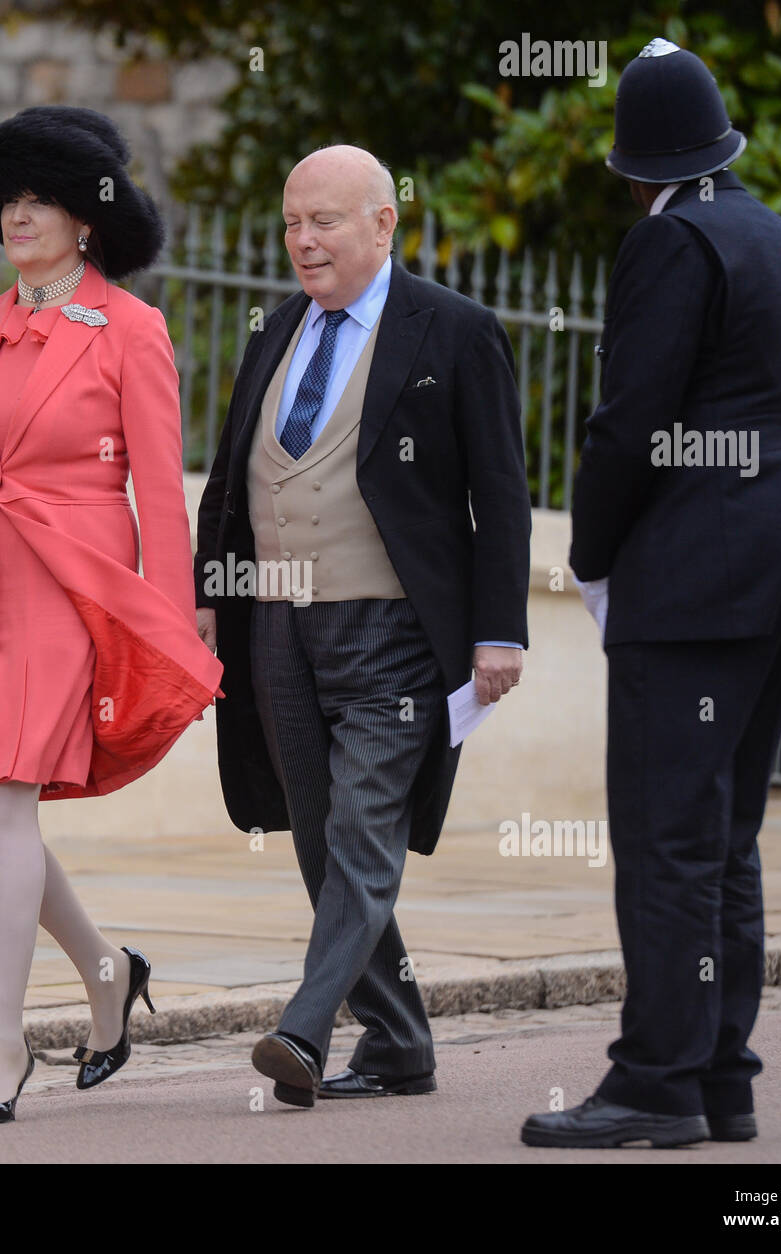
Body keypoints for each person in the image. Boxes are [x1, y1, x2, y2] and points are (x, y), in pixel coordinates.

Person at [521, 40, 781, 1149]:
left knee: (667, 834)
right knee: (726, 833)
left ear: (636, 167)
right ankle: (721, 1077)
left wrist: (591, 553)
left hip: (697, 564)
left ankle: (655, 1083)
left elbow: (631, 422)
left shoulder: (669, 239)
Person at [0, 106, 222, 1126]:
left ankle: (1, 1038)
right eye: (8, 199)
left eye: (41, 199)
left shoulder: (132, 330)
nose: (19, 214)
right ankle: (106, 967)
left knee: (2, 797)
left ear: (87, 218)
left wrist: (172, 630)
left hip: (68, 590)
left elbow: (160, 496)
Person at [195, 145, 531, 1108]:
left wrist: (501, 631)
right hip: (277, 628)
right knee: (317, 835)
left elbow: (501, 493)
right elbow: (233, 470)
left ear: (385, 223)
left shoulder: (455, 331)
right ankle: (400, 1041)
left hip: (395, 632)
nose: (303, 241)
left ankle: (304, 1029)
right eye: (292, 223)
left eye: (325, 221)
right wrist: (210, 591)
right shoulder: (277, 329)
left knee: (362, 832)